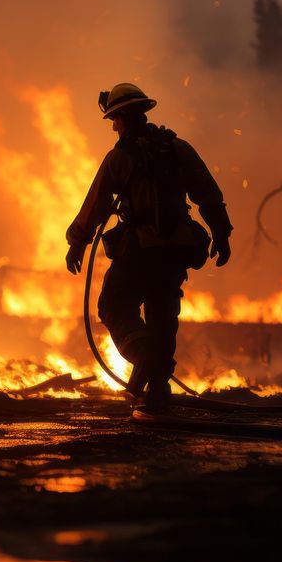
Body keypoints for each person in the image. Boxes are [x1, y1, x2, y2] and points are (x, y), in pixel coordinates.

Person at [64, 83, 232, 412]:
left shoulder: (119, 159)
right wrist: (221, 233)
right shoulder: (179, 149)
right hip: (175, 249)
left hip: (139, 250)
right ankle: (157, 393)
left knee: (114, 307)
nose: (114, 126)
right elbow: (208, 194)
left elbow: (95, 205)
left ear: (124, 117)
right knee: (163, 316)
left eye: (115, 119)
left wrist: (77, 242)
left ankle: (144, 360)